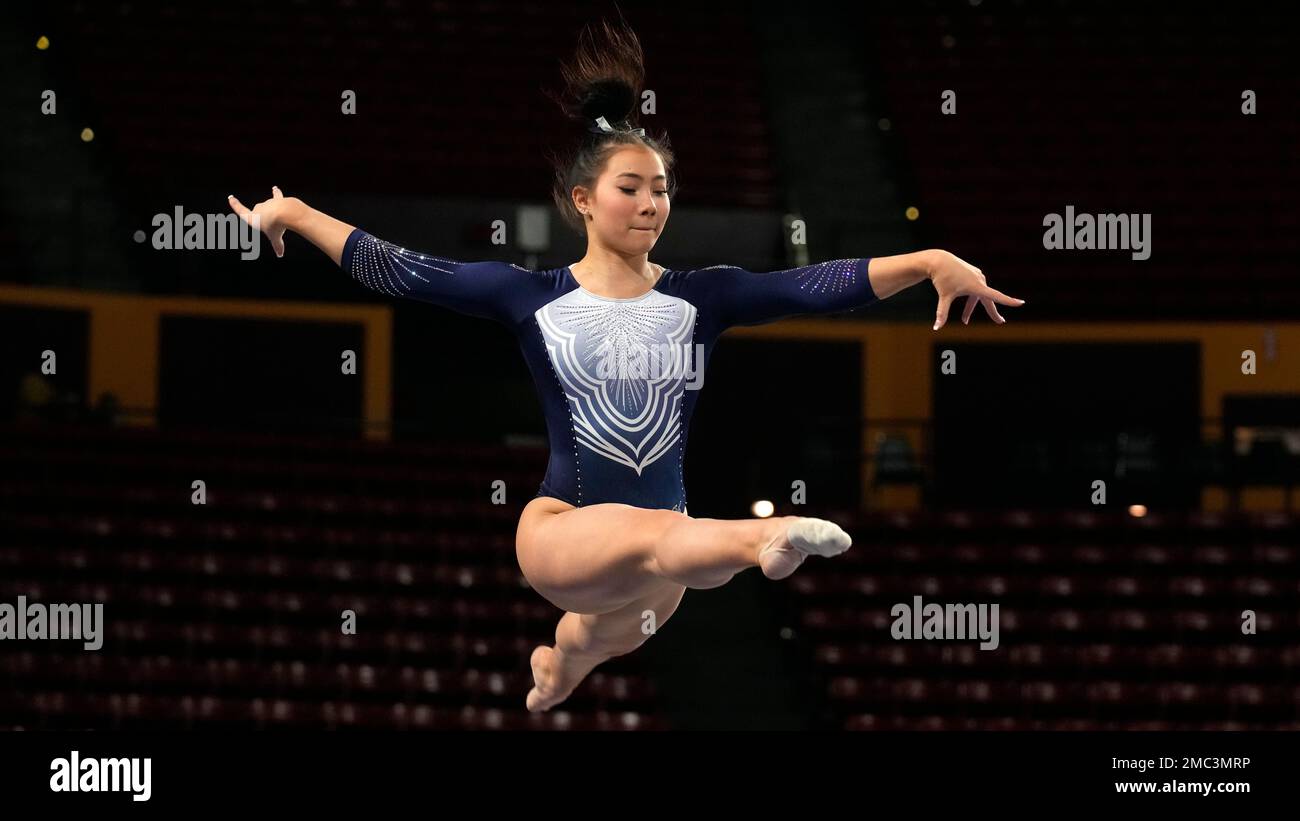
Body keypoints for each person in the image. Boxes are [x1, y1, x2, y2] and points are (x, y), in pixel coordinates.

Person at [227, 17, 1024, 714]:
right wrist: (294, 213)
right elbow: (402, 268)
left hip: (660, 569)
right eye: (631, 188)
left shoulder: (702, 298)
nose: (650, 204)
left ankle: (554, 673)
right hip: (562, 535)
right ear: (582, 199)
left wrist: (927, 258)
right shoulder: (526, 294)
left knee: (594, 636)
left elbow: (814, 285)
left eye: (663, 191)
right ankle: (765, 538)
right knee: (664, 544)